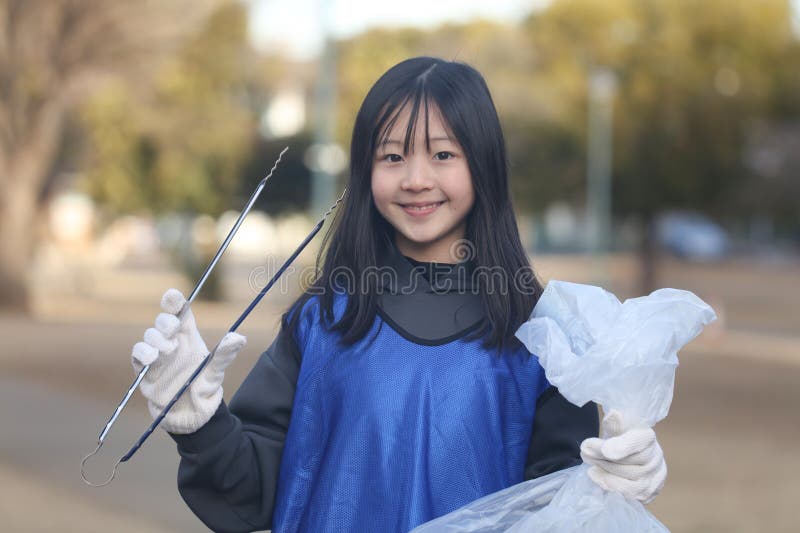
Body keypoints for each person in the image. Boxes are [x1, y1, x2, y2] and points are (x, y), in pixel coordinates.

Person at [131, 57, 666, 533]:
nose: (415, 178)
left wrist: (608, 487)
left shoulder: (540, 338)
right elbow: (248, 499)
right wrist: (200, 424)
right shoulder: (323, 322)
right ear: (365, 172)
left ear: (483, 165)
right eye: (391, 157)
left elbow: (558, 507)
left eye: (442, 154)